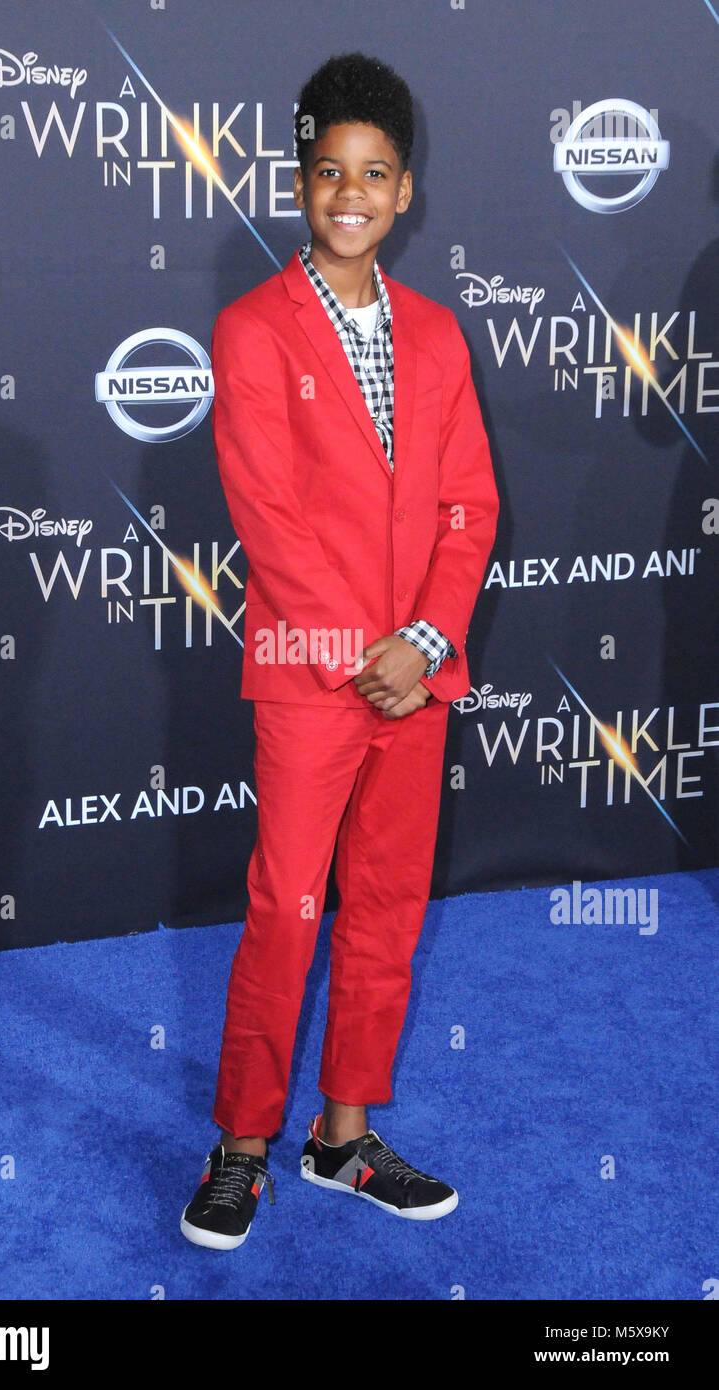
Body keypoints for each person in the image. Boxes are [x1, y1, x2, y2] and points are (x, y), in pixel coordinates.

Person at [181, 52, 499, 1250]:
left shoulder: (433, 334)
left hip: (417, 679)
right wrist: (359, 648)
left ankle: (343, 1134)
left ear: (404, 191)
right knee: (286, 906)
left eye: (374, 174)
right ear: (300, 185)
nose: (350, 194)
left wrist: (420, 642)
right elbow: (268, 512)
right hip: (312, 676)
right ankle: (242, 1142)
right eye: (328, 173)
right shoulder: (251, 328)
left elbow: (468, 505)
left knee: (383, 908)